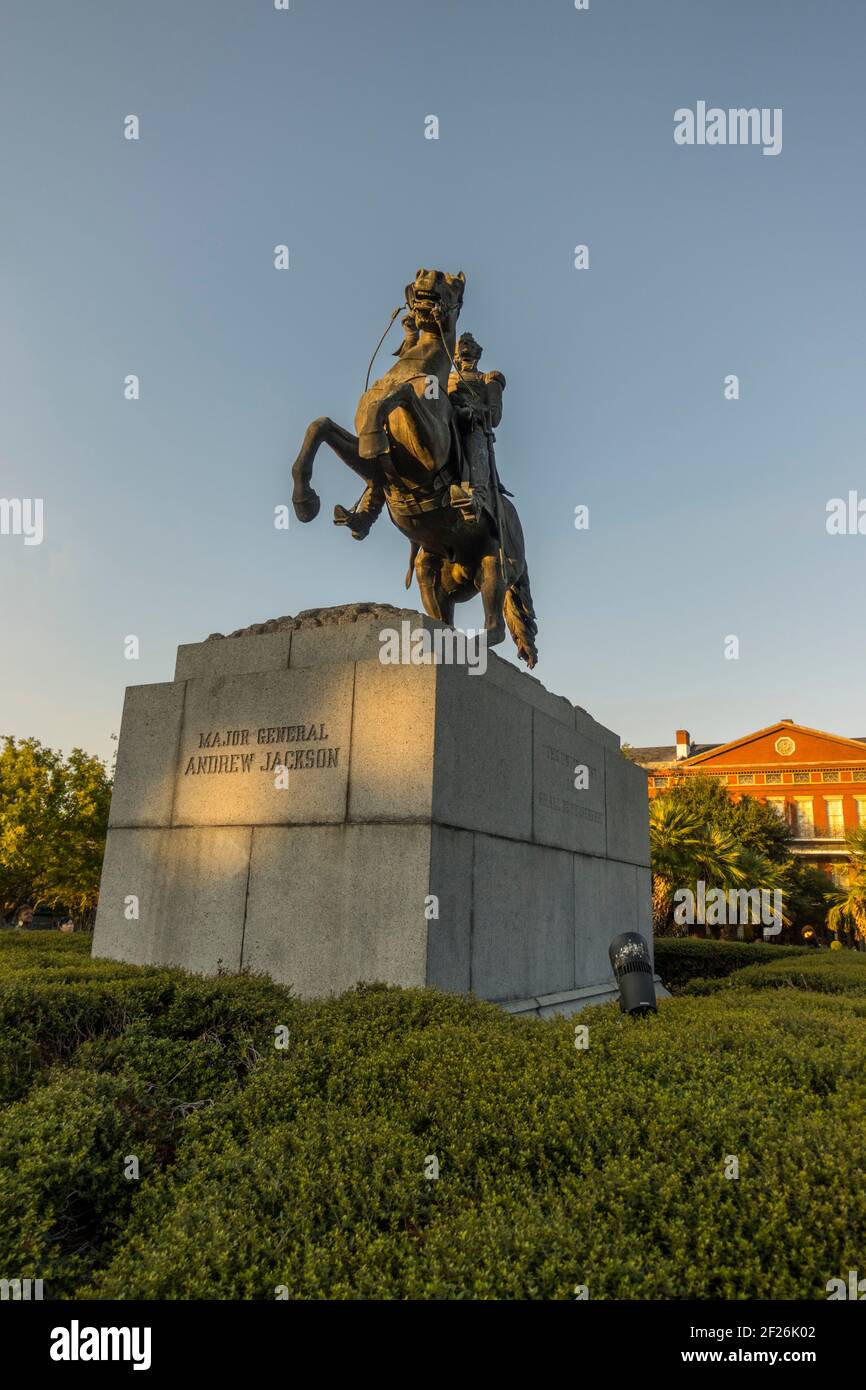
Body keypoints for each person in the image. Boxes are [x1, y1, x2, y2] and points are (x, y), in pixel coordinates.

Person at [447, 332, 506, 529]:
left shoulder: (487, 379)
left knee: (476, 439)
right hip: (447, 421)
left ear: (477, 352)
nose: (464, 345)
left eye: (470, 344)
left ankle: (477, 498)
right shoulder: (442, 377)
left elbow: (495, 417)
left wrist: (474, 409)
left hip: (473, 424)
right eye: (461, 343)